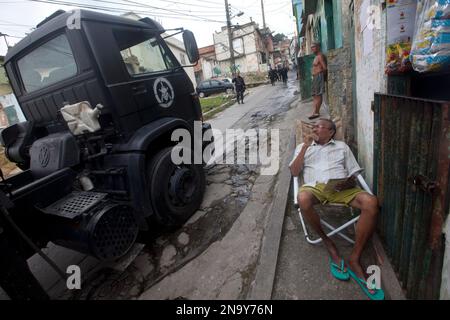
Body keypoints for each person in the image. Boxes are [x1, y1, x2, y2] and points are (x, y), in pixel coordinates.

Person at [289, 119, 384, 300]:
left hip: (341, 188)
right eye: (313, 126)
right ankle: (329, 243)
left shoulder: (342, 147)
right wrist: (304, 147)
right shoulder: (304, 147)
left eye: (319, 126)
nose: (314, 128)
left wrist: (348, 182)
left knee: (372, 202)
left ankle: (354, 258)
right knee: (302, 198)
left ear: (331, 132)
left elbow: (354, 172)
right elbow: (294, 172)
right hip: (314, 188)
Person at [309, 43, 327, 120]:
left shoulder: (320, 56)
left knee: (318, 94)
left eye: (313, 47)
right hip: (315, 77)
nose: (312, 48)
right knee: (314, 95)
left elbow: (325, 68)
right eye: (311, 47)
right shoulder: (316, 57)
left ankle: (316, 112)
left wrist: (322, 77)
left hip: (319, 76)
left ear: (318, 47)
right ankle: (315, 111)